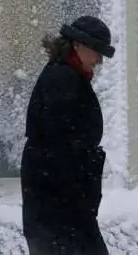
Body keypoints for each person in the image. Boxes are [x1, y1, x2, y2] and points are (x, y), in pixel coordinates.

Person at [20, 15, 115, 255]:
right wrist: (80, 193)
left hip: (61, 208)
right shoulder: (62, 79)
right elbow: (61, 146)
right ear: (78, 45)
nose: (100, 60)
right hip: (61, 209)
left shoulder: (66, 75)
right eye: (98, 52)